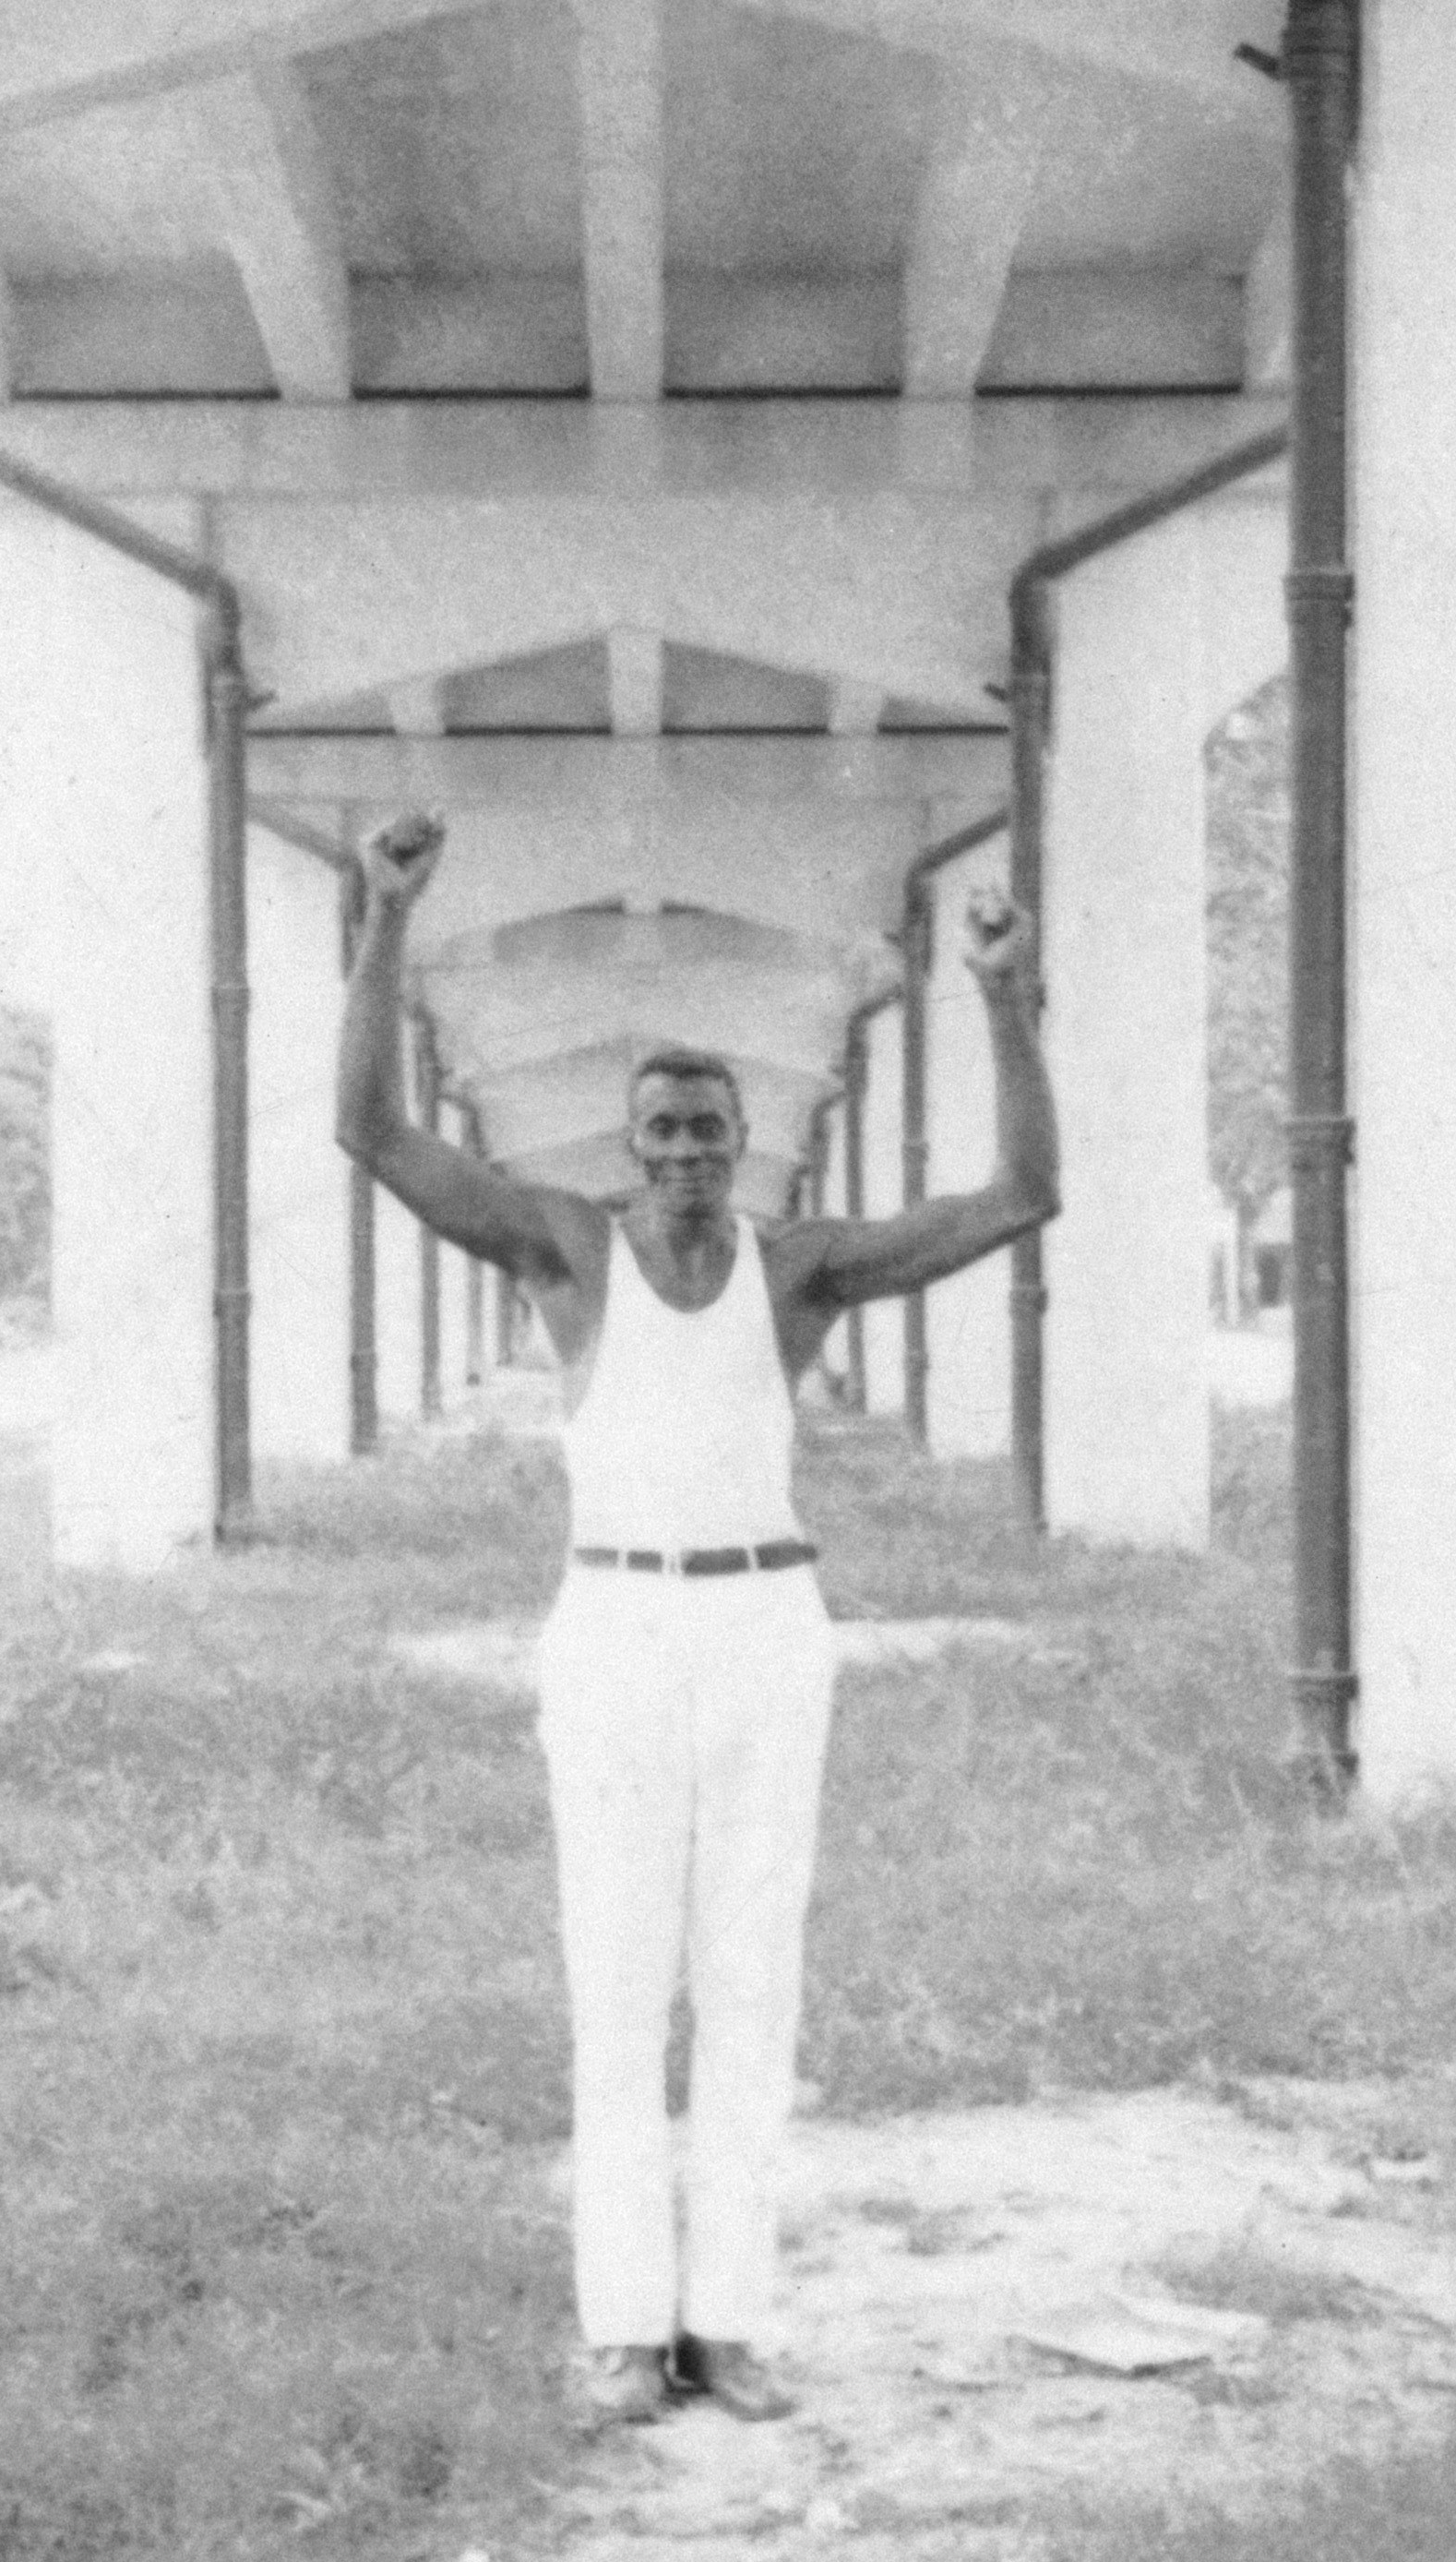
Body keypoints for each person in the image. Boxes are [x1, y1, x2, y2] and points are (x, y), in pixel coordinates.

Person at [337, 808, 1058, 2427]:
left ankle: (727, 2323)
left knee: (751, 1980)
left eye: (704, 1130)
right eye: (656, 1128)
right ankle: (619, 2325)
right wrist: (388, 916)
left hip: (764, 1629)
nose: (679, 1152)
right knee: (615, 1977)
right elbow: (374, 1133)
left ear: (739, 1142)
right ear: (624, 1140)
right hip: (610, 1633)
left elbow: (1020, 1194)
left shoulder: (792, 1271)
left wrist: (1004, 995)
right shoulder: (561, 1248)